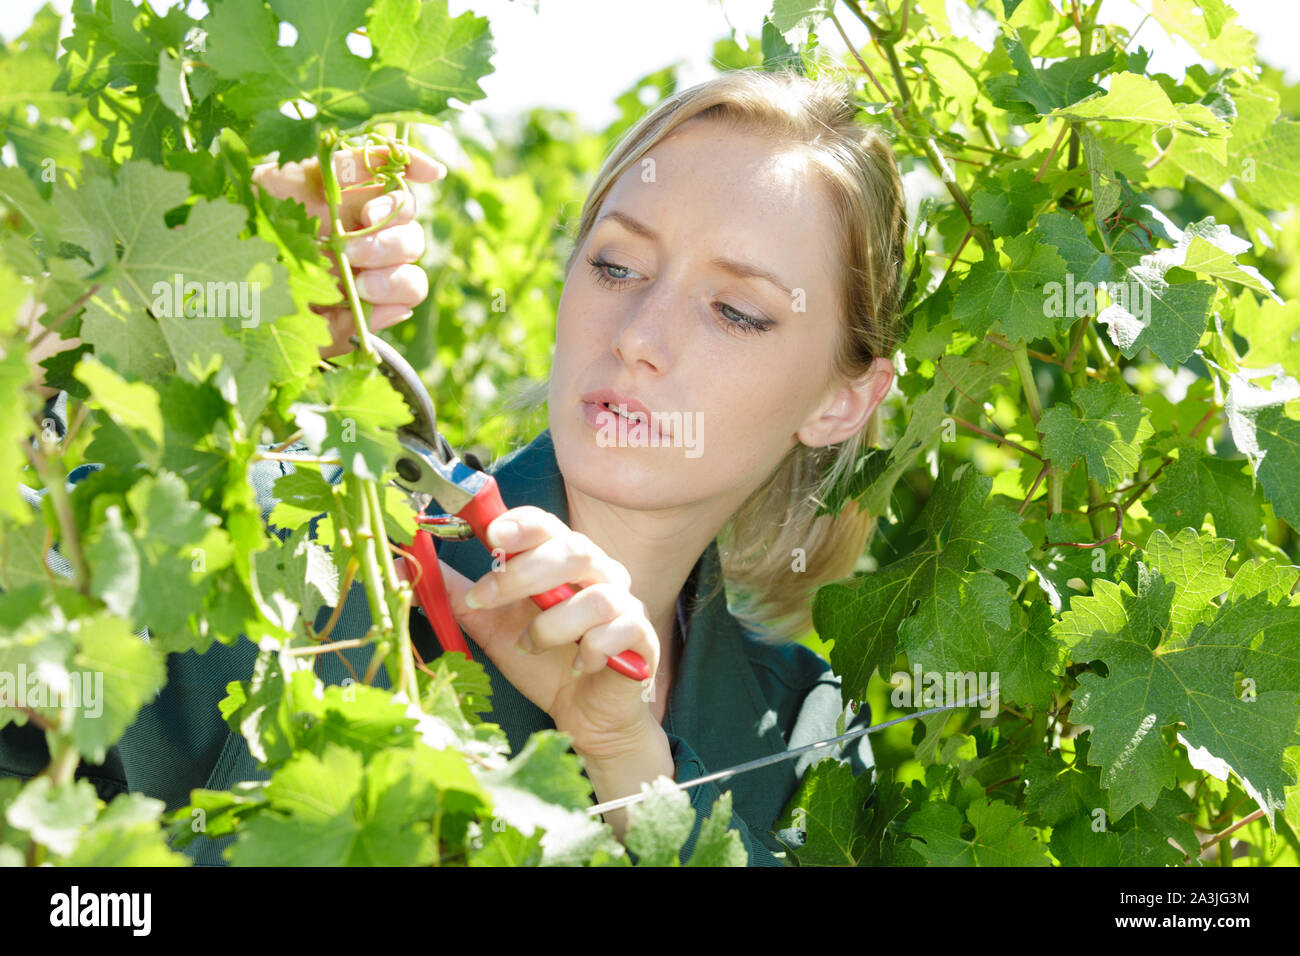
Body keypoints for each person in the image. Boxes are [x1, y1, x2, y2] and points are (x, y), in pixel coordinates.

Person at [8, 68, 904, 866]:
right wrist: (101, 323)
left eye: (737, 312)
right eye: (617, 265)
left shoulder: (806, 736)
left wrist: (633, 769)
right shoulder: (284, 556)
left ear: (843, 401)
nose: (639, 339)